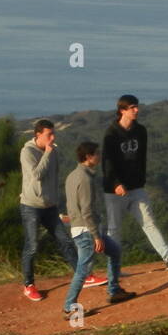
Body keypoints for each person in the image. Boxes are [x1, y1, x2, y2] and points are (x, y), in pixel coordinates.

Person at [20, 119, 103, 301]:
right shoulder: (27, 152)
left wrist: (57, 201)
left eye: (53, 134)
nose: (53, 137)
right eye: (49, 134)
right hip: (31, 206)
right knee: (32, 246)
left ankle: (85, 276)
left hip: (50, 206)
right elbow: (37, 176)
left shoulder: (54, 150)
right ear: (38, 135)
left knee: (65, 241)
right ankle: (29, 285)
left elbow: (55, 176)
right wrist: (48, 153)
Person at [102, 95, 168, 270]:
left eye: (137, 106)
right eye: (132, 107)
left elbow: (141, 159)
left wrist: (140, 180)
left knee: (149, 222)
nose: (137, 110)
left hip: (136, 187)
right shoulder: (111, 133)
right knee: (114, 230)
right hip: (114, 191)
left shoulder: (141, 131)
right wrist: (115, 183)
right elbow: (107, 162)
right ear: (122, 110)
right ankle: (113, 269)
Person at [62, 142, 135, 321]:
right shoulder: (85, 179)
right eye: (97, 154)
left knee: (115, 251)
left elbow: (73, 205)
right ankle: (69, 306)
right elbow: (86, 210)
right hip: (87, 231)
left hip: (81, 228)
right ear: (88, 157)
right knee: (83, 269)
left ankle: (114, 290)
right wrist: (96, 236)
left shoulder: (72, 175)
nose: (99, 156)